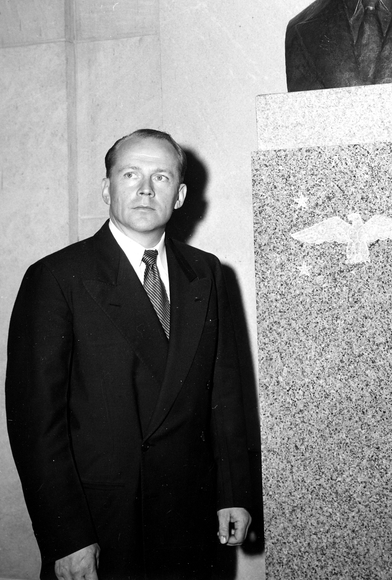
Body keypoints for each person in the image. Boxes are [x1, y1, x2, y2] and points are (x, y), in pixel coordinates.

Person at [5, 129, 251, 580]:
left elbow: (226, 392)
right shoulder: (57, 277)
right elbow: (35, 425)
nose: (145, 189)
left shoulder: (207, 272)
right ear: (107, 189)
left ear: (179, 196)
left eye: (161, 177)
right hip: (103, 524)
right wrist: (67, 536)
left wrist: (232, 491)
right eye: (130, 174)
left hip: (192, 518)